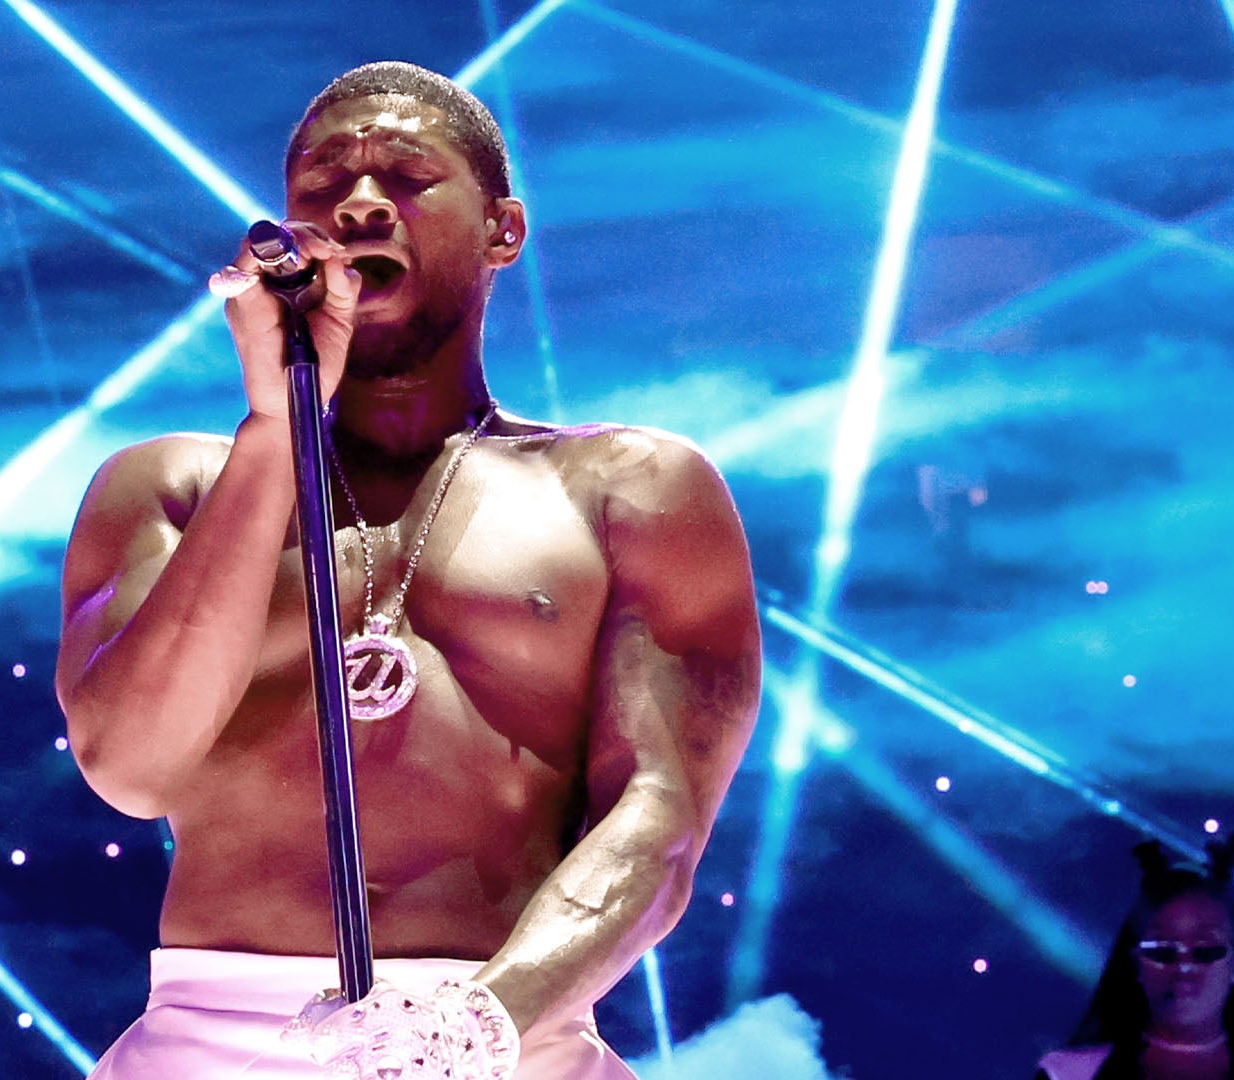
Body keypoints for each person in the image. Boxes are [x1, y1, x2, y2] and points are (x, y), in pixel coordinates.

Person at [55, 61, 761, 1078]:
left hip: (508, 1031)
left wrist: (473, 1031)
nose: (358, 203)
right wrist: (275, 427)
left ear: (502, 231)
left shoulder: (631, 490)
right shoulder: (172, 486)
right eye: (322, 182)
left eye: (407, 175)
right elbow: (131, 766)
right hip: (213, 1038)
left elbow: (659, 820)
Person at [1034, 834, 1234, 1080]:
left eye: (1205, 951)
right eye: (1162, 952)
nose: (1184, 967)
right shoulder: (1068, 1075)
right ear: (1135, 964)